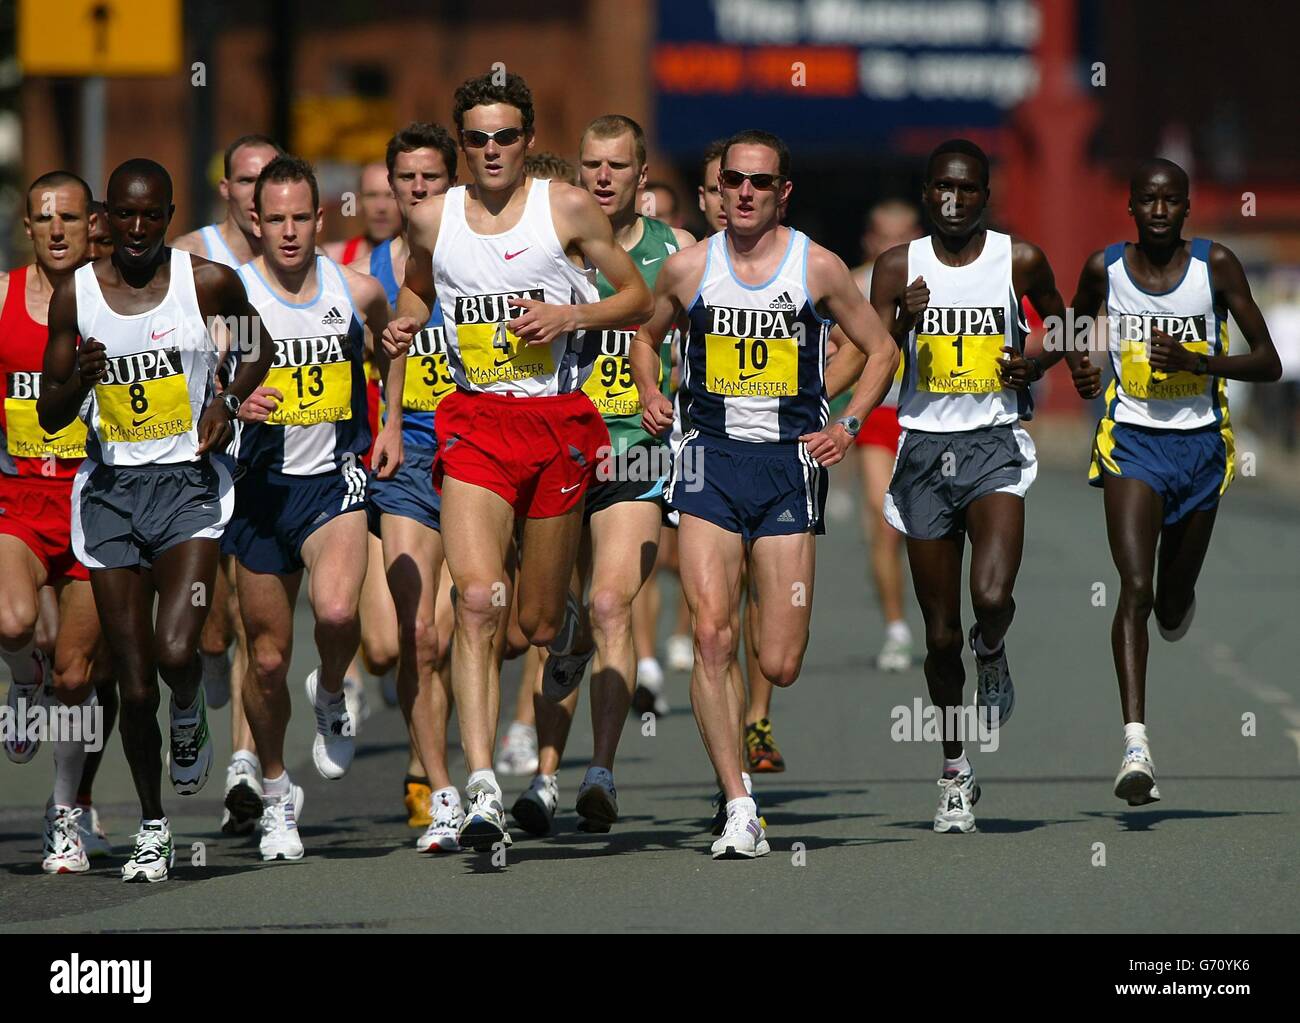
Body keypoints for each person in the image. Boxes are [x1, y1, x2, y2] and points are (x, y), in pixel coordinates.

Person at [381, 70, 652, 851]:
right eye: (476, 138)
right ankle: (481, 787)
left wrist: (571, 311)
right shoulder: (432, 218)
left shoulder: (563, 206)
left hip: (558, 422)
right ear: (459, 143)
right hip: (474, 421)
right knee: (472, 599)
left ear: (529, 142)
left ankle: (567, 635)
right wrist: (403, 326)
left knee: (534, 622)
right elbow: (416, 292)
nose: (491, 150)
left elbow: (636, 298)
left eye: (505, 137)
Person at [631, 129, 898, 858]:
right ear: (718, 190)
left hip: (786, 466)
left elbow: (881, 349)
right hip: (706, 462)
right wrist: (652, 390)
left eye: (759, 182)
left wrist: (846, 424)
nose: (744, 193)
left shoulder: (819, 268)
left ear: (783, 192)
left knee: (778, 659)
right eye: (732, 182)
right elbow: (645, 336)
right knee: (711, 632)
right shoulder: (689, 269)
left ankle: (753, 700)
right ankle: (739, 801)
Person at [38, 158, 274, 882]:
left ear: (170, 215)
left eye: (153, 216)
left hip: (187, 489)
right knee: (131, 679)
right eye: (126, 216)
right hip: (110, 492)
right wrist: (81, 374)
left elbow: (260, 347)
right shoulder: (78, 295)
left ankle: (189, 709)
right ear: (107, 218)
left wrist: (225, 401)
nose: (138, 230)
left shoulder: (203, 282)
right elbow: (50, 412)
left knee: (178, 650)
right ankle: (152, 824)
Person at [866, 139, 1073, 834]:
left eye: (968, 189)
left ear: (987, 195)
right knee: (939, 633)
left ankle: (996, 647)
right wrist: (903, 319)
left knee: (990, 596)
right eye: (941, 189)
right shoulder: (898, 268)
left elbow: (1066, 323)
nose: (954, 201)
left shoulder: (1019, 259)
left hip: (993, 444)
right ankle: (955, 771)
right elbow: (877, 358)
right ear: (927, 194)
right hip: (924, 448)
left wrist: (1034, 359)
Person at [1070, 158, 1281, 806]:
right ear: (1130, 209)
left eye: (1171, 201)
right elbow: (1076, 323)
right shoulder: (1104, 268)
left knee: (1169, 598)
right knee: (1133, 586)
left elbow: (1269, 362)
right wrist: (1083, 364)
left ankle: (1176, 599)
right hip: (1131, 441)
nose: (1159, 211)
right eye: (1148, 201)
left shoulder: (1213, 268)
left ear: (1186, 209)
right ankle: (1136, 743)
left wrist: (1201, 360)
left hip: (1200, 448)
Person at [510, 114, 695, 836]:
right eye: (591, 165)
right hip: (557, 451)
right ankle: (543, 778)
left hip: (637, 453)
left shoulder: (675, 252)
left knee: (613, 603)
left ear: (643, 177)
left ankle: (599, 774)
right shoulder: (546, 246)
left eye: (618, 166)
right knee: (554, 624)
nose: (603, 177)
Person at [224, 156, 396, 861]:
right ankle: (274, 793)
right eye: (277, 219)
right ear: (254, 221)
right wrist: (236, 400)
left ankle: (330, 688)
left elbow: (391, 344)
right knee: (264, 663)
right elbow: (203, 382)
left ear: (320, 218)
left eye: (303, 218)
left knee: (334, 613)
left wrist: (391, 420)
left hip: (333, 482)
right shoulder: (228, 296)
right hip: (259, 493)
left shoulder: (353, 289)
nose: (290, 232)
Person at [350, 123, 465, 848]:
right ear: (391, 189)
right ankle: (432, 768)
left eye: (430, 179)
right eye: (406, 180)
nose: (417, 190)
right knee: (395, 642)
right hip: (405, 454)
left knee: (454, 632)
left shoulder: (473, 251)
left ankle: (434, 772)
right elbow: (364, 345)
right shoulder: (369, 270)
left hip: (475, 452)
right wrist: (388, 421)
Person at [173, 133, 284, 835]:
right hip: (198, 456)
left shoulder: (298, 252)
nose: (257, 193)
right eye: (246, 180)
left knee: (253, 614)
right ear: (226, 189)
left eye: (269, 180)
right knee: (209, 627)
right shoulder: (190, 256)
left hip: (273, 456)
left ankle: (244, 761)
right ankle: (210, 665)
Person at [0, 171, 104, 873]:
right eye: (46, 218)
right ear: (28, 227)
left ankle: (66, 810)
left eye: (71, 216)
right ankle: (19, 675)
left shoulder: (117, 298)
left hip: (95, 501)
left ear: (89, 224)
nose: (59, 228)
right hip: (18, 500)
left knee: (77, 677)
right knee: (10, 621)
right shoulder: (3, 296)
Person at [849, 201, 924, 672]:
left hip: (930, 414)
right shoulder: (852, 285)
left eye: (904, 236)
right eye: (885, 236)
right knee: (883, 520)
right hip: (880, 414)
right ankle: (896, 628)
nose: (893, 245)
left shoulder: (942, 278)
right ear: (870, 241)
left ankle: (945, 620)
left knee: (933, 526)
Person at [326, 161, 401, 266]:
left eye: (390, 195)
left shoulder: (424, 262)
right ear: (358, 201)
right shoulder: (331, 260)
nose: (381, 207)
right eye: (371, 195)